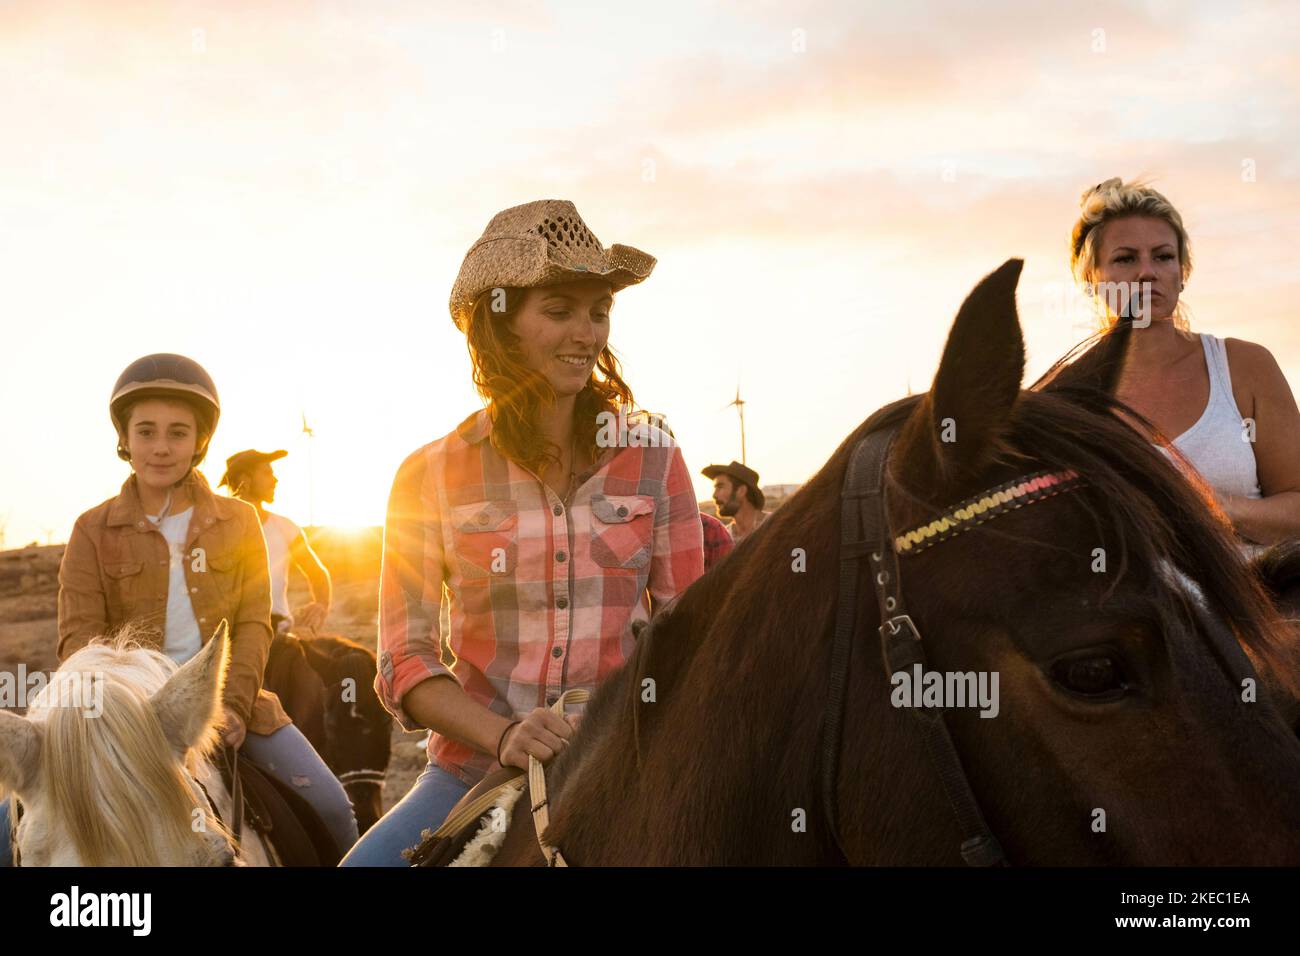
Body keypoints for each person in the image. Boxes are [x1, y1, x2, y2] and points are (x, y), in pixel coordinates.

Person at [341, 200, 705, 866]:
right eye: (560, 310)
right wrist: (506, 735)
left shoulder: (654, 456)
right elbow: (405, 657)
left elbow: (692, 631)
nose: (587, 334)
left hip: (626, 764)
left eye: (599, 312)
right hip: (470, 770)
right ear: (499, 324)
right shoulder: (429, 475)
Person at [0, 355, 359, 867]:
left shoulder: (239, 521)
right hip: (116, 728)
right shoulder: (90, 530)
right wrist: (111, 725)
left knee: (332, 809)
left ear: (200, 441)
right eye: (146, 431)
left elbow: (254, 622)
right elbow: (80, 640)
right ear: (125, 438)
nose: (162, 447)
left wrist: (231, 705)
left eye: (178, 432)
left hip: (224, 708)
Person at [1069, 178, 1300, 553]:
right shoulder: (1064, 401)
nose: (1147, 272)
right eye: (1125, 258)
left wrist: (1223, 511)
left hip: (1255, 608)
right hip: (1129, 612)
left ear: (1183, 272)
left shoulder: (1245, 368)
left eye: (1163, 256)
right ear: (1092, 278)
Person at [219, 448, 332, 636]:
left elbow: (317, 573)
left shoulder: (286, 527)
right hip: (230, 632)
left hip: (278, 632)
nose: (275, 480)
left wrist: (321, 604)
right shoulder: (215, 528)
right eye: (267, 473)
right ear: (244, 480)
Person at [703, 460, 768, 543]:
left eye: (720, 487)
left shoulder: (776, 525)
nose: (714, 495)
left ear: (741, 491)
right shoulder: (724, 537)